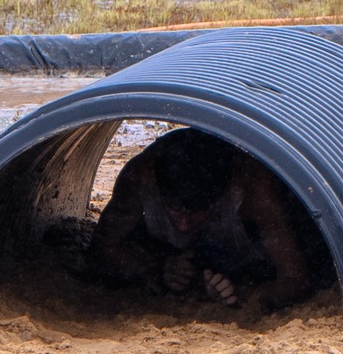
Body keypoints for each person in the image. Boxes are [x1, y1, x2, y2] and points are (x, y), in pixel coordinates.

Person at [85, 128, 317, 313]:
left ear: (219, 198)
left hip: (247, 256)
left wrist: (239, 294)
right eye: (173, 210)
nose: (183, 225)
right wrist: (154, 268)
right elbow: (100, 250)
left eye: (197, 213)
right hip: (165, 251)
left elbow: (296, 280)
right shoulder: (140, 179)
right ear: (159, 193)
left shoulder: (254, 190)